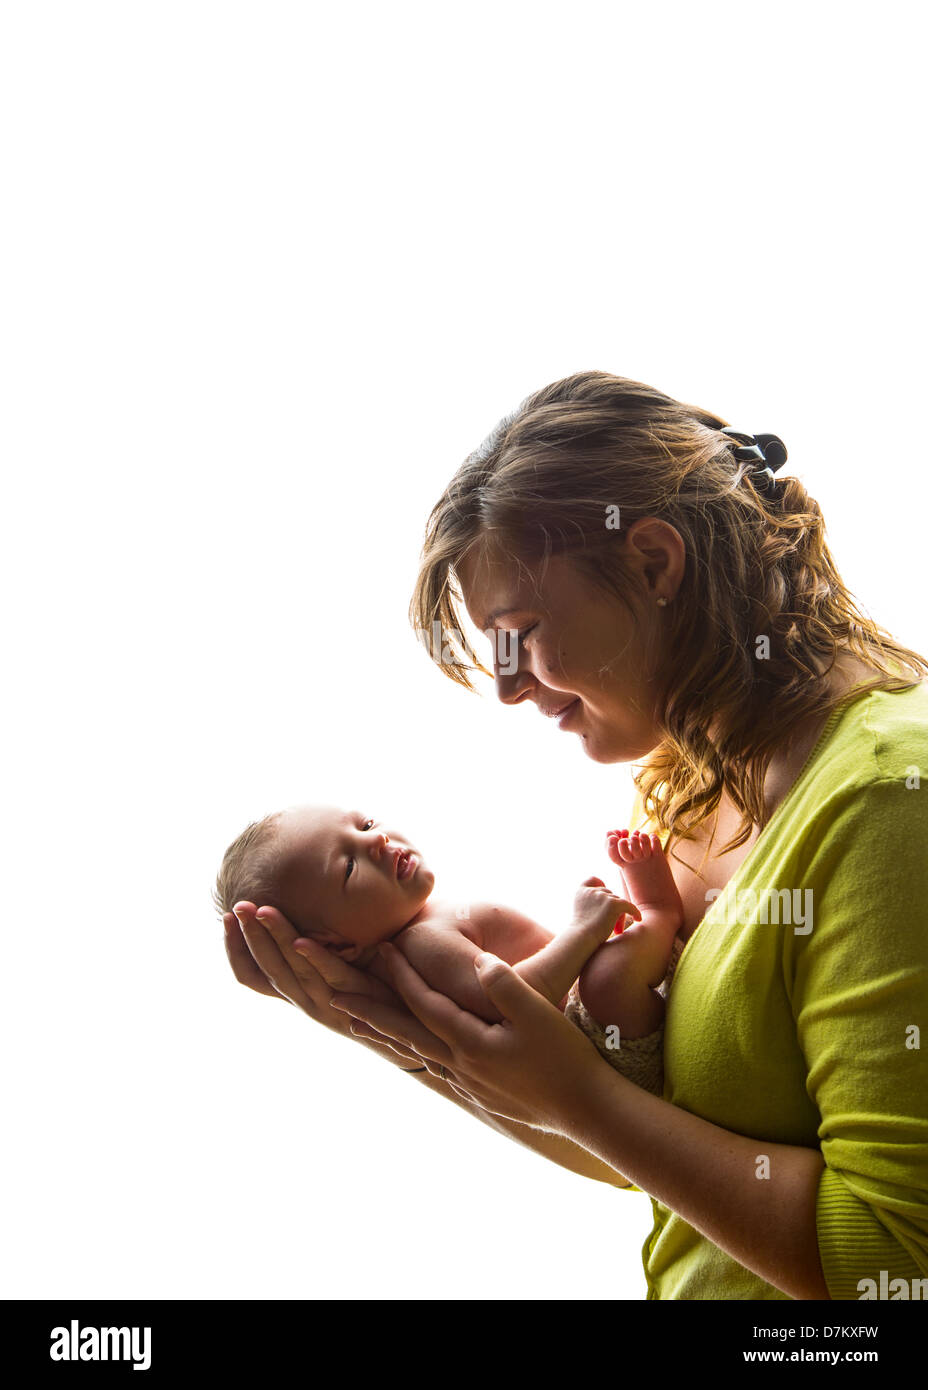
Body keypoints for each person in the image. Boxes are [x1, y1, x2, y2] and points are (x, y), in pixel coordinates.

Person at [224, 370, 928, 1300]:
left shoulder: (889, 799)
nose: (508, 686)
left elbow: (893, 1265)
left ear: (652, 563)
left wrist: (577, 1095)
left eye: (518, 632)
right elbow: (663, 1152)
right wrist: (404, 1028)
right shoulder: (683, 788)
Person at [215, 803, 683, 1091]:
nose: (376, 841)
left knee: (607, 967)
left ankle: (650, 925)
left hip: (601, 1030)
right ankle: (659, 909)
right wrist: (582, 931)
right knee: (607, 977)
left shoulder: (427, 923)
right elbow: (515, 1005)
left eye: (364, 823)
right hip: (604, 1054)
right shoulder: (421, 944)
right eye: (348, 868)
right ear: (336, 945)